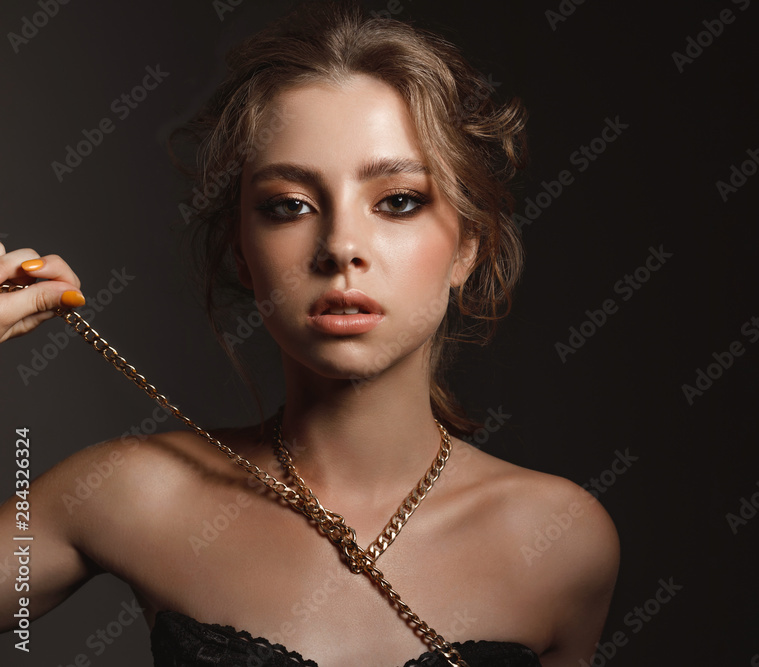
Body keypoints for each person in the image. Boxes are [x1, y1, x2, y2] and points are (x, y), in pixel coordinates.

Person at [0, 2, 618, 666]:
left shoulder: (559, 538)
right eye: (289, 205)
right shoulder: (136, 492)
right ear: (242, 249)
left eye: (398, 200)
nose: (341, 246)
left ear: (469, 244)